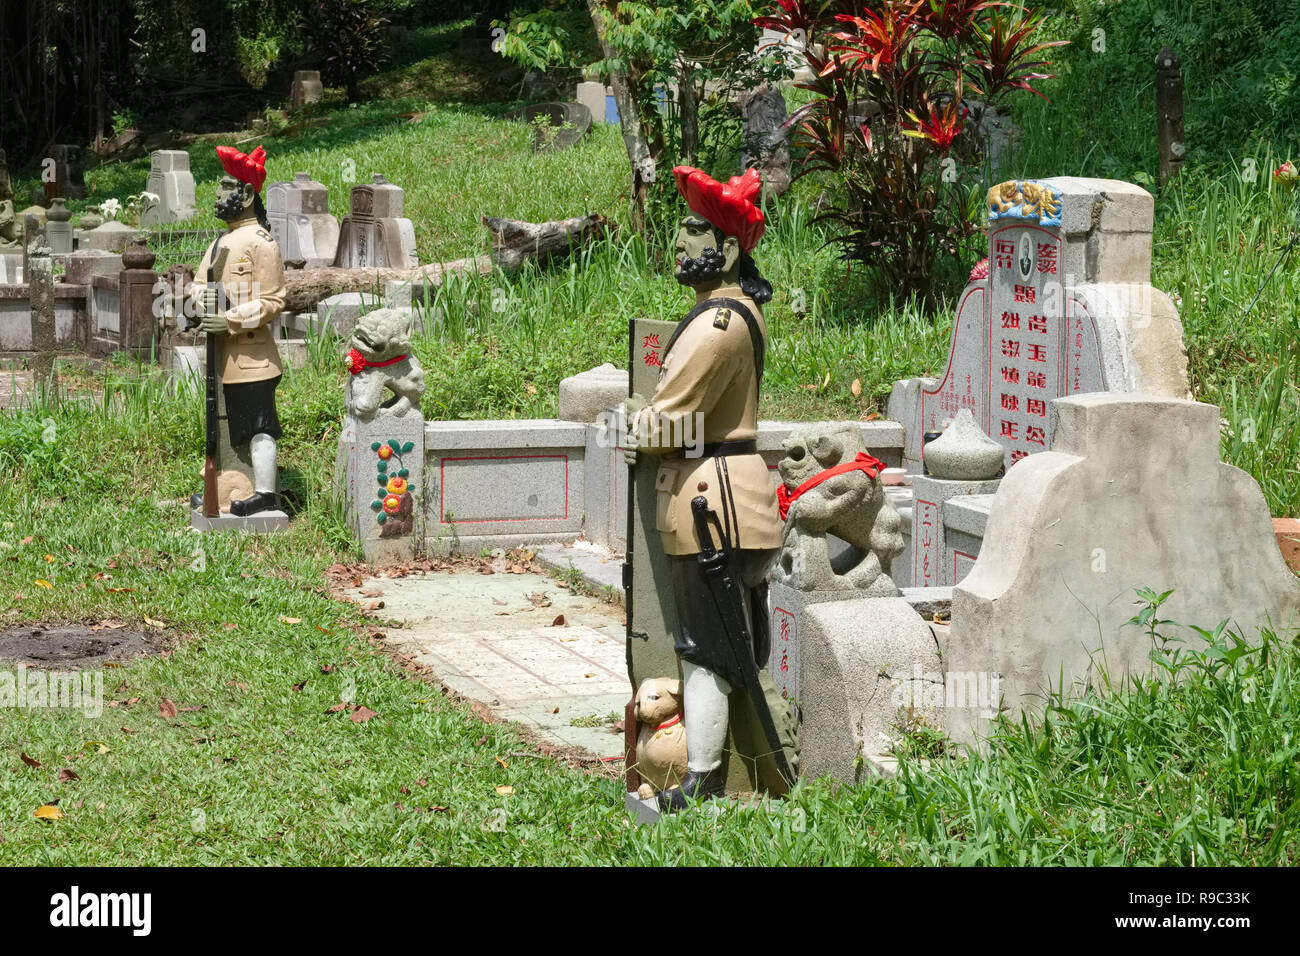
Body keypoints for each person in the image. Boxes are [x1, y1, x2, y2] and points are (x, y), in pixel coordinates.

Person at [624, 165, 792, 811]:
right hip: (718, 499)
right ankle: (723, 770)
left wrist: (629, 424)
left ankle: (703, 778)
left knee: (705, 652)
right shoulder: (723, 315)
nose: (678, 240)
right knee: (723, 647)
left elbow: (673, 422)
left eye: (694, 230)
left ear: (725, 248)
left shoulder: (717, 324)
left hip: (711, 506)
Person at [188, 145, 286, 516]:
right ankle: (226, 490)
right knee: (223, 426)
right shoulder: (219, 242)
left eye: (225, 186)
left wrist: (228, 319)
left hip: (252, 357)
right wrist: (201, 303)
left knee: (258, 423)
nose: (217, 193)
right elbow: (198, 285)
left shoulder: (263, 243)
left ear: (246, 194)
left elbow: (273, 301)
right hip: (220, 358)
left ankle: (264, 493)